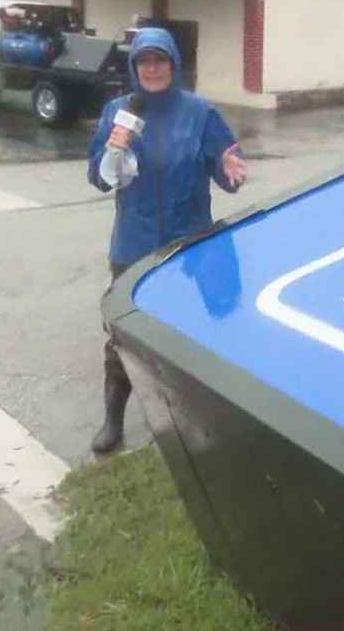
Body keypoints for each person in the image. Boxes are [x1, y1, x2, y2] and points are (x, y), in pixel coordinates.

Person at [86, 27, 247, 454]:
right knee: (123, 336)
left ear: (173, 64)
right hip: (132, 246)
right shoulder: (117, 113)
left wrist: (231, 168)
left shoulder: (200, 113)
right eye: (144, 61)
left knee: (188, 333)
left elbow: (226, 165)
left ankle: (196, 422)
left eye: (160, 60)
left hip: (187, 245)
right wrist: (113, 151)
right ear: (134, 67)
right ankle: (113, 421)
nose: (152, 68)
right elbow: (98, 178)